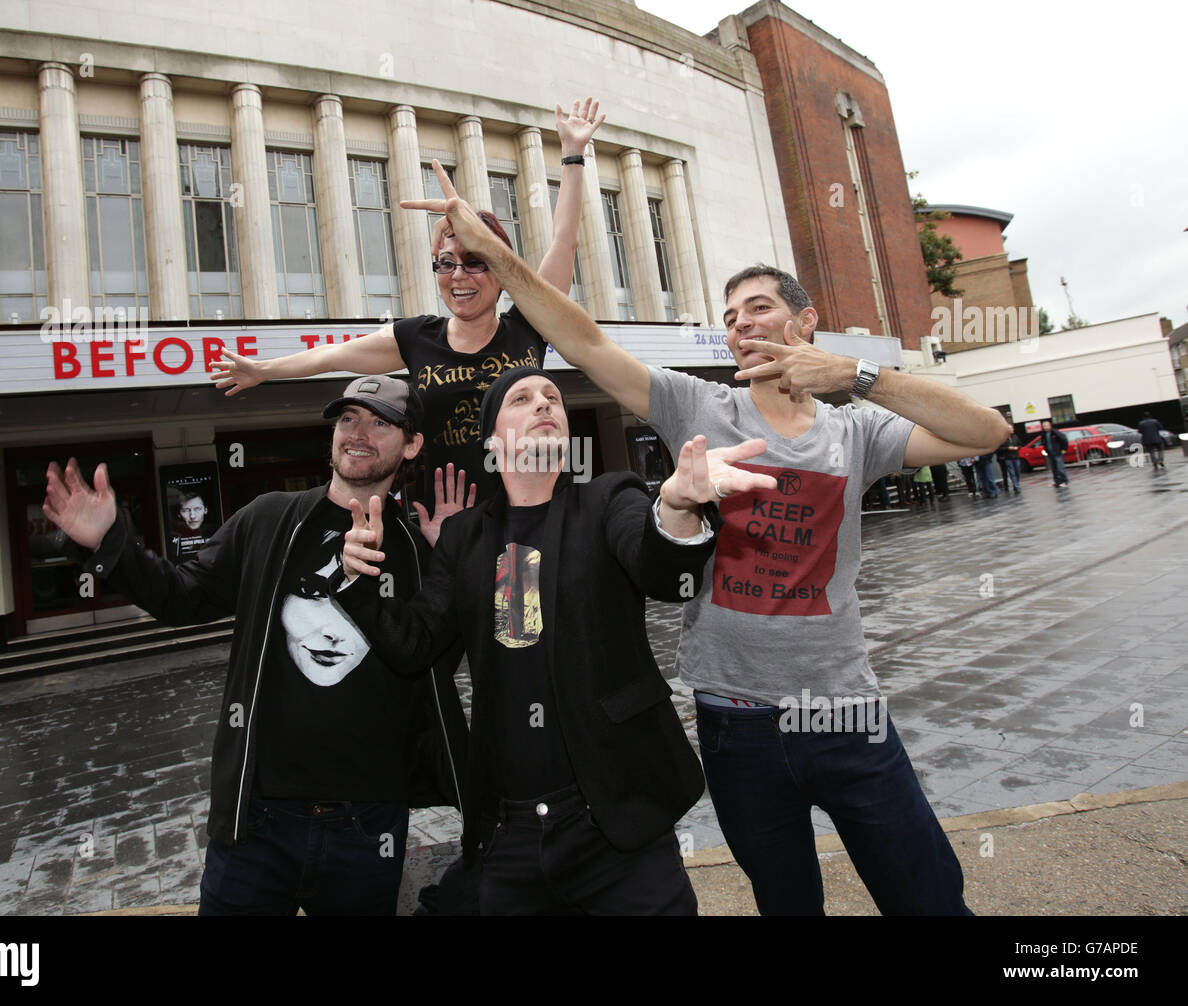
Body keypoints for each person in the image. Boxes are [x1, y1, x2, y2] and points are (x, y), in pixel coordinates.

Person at [407, 164, 1012, 914]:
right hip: (736, 723)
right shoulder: (698, 406)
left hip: (845, 714)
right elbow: (584, 340)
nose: (742, 324)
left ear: (805, 320)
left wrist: (857, 375)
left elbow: (986, 432)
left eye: (759, 308)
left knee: (928, 898)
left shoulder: (860, 432)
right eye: (730, 316)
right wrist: (492, 256)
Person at [333, 368, 769, 914]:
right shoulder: (465, 536)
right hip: (508, 832)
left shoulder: (611, 498)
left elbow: (659, 568)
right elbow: (414, 645)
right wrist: (359, 582)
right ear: (494, 440)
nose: (544, 403)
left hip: (616, 828)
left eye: (553, 398)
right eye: (521, 398)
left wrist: (677, 510)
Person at [41, 375, 468, 915]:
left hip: (369, 824)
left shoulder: (418, 547)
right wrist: (110, 544)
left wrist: (452, 561)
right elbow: (182, 596)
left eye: (381, 422)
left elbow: (434, 659)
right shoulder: (270, 519)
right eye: (348, 419)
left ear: (411, 445)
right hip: (259, 820)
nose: (358, 433)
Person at [210, 98, 606, 516]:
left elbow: (564, 240)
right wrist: (263, 370)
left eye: (475, 261)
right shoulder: (417, 337)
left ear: (502, 269)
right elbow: (332, 356)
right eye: (446, 263)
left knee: (523, 585)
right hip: (448, 526)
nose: (458, 276)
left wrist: (573, 155)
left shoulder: (529, 323)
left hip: (535, 514)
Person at [1041, 419, 1070, 487]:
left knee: (1060, 468)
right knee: (1054, 468)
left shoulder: (1054, 432)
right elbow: (1044, 443)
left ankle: (1065, 481)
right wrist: (1046, 450)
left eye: (1046, 426)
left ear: (1049, 425)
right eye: (1043, 426)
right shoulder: (1044, 434)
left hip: (1057, 452)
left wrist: (1064, 449)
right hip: (1050, 453)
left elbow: (1064, 439)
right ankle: (1057, 482)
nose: (1045, 427)